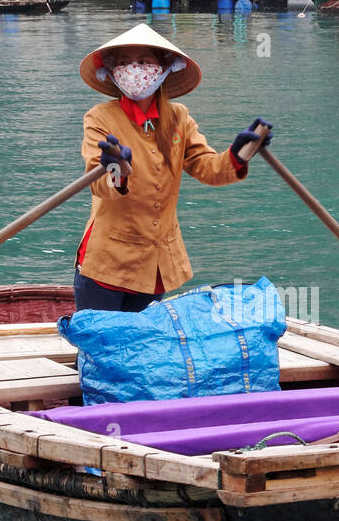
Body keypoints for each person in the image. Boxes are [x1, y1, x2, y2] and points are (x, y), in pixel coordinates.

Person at [73, 23, 273, 312]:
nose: (134, 70)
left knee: (144, 349)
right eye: (126, 63)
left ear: (164, 68)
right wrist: (116, 170)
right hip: (107, 262)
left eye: (143, 62)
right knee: (97, 351)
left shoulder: (179, 118)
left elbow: (207, 167)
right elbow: (98, 181)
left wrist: (239, 155)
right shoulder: (100, 118)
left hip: (155, 264)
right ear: (113, 71)